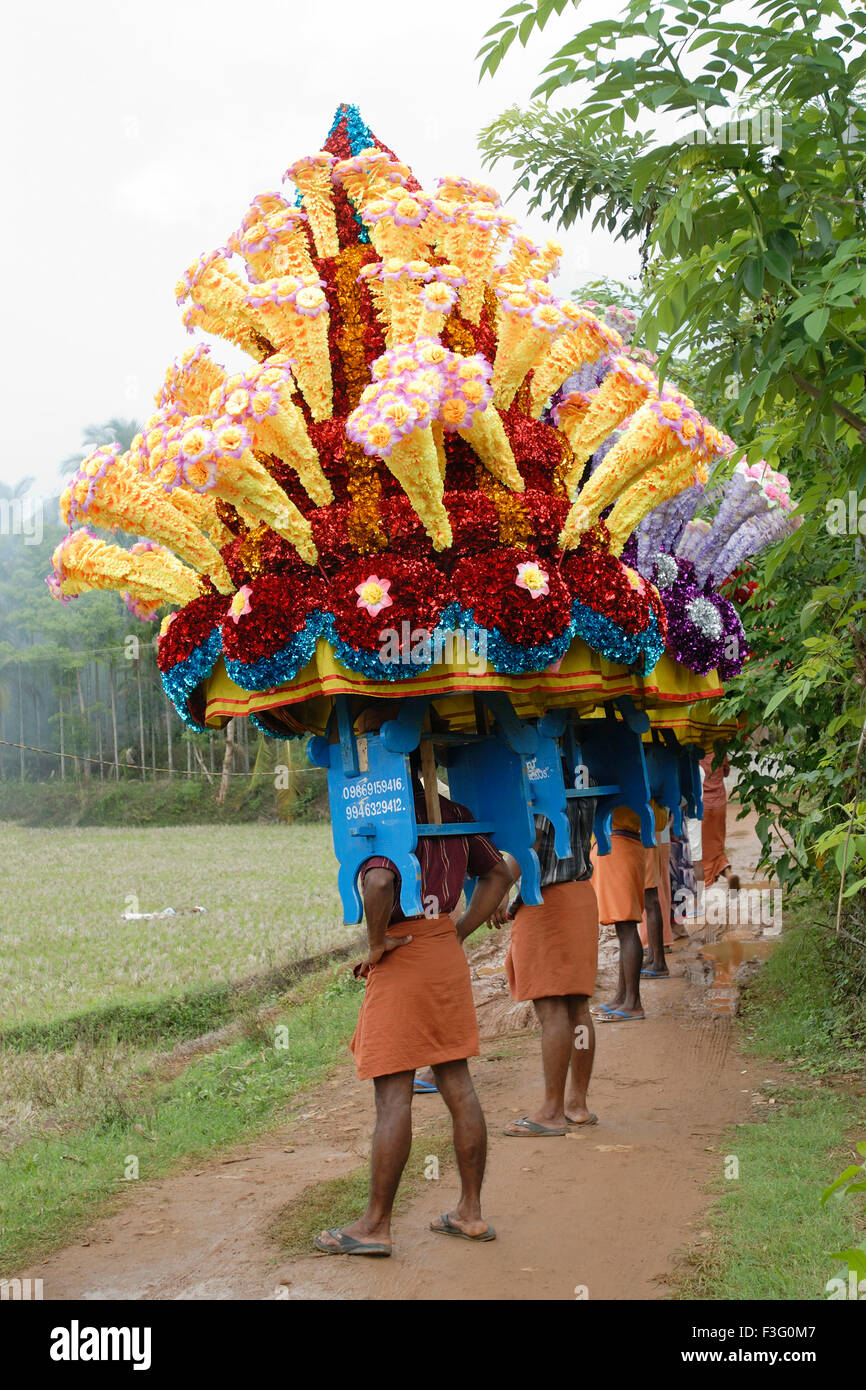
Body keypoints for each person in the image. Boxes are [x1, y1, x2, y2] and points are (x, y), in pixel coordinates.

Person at [315, 710, 512, 1257]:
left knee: (394, 1092)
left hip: (402, 954)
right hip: (441, 950)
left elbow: (378, 879)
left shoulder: (384, 815)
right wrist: (458, 931)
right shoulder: (451, 813)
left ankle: (375, 1226)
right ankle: (470, 1213)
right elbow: (501, 872)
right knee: (458, 1082)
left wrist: (376, 943)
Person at [492, 790, 600, 1137]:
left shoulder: (542, 777)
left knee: (552, 1007)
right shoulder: (585, 776)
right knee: (577, 1006)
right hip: (580, 896)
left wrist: (495, 887)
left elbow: (533, 840)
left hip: (548, 902)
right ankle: (576, 1106)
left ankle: (551, 1112)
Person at [590, 799, 668, 1021]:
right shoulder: (643, 782)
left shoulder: (621, 777)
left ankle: (633, 1003)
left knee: (626, 928)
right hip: (621, 844)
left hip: (619, 846)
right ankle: (622, 997)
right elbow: (659, 820)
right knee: (623, 928)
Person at [700, 752, 740, 890]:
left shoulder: (694, 751)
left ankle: (702, 888)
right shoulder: (718, 750)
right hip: (719, 806)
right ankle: (728, 874)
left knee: (702, 851)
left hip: (702, 806)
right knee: (717, 846)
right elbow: (726, 772)